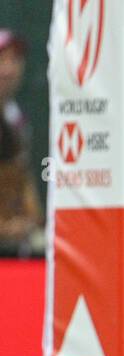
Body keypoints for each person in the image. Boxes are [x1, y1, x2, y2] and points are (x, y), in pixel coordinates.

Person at [0, 29, 36, 249]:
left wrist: (30, 219)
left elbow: (21, 175)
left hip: (14, 247)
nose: (8, 69)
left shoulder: (16, 117)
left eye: (14, 59)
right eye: (2, 59)